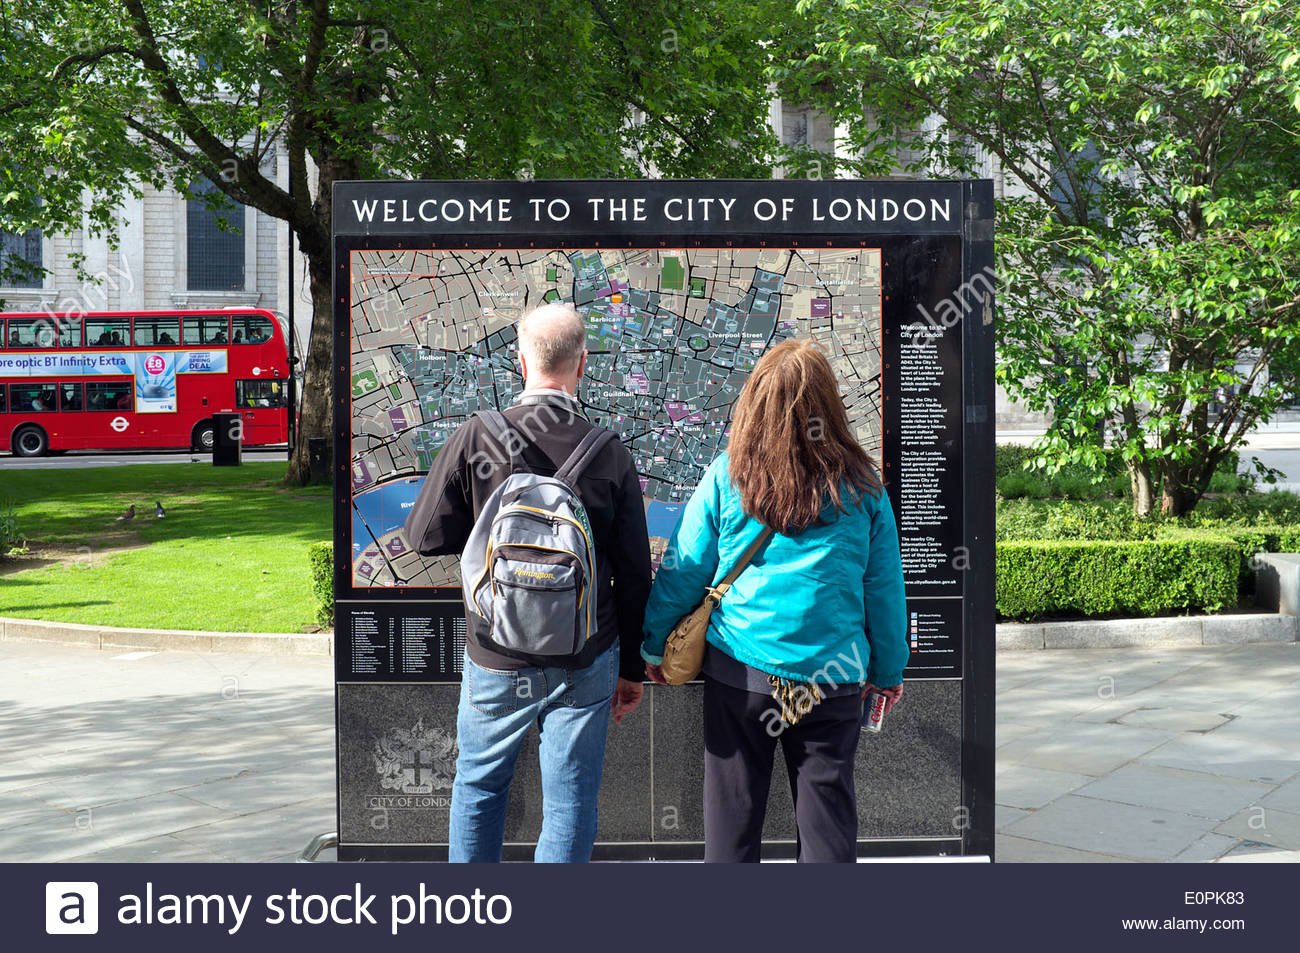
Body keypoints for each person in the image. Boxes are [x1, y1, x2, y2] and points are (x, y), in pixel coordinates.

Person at [640, 339, 909, 863]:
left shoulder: (728, 474)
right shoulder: (863, 485)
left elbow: (683, 570)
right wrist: (889, 668)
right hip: (832, 676)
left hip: (742, 675)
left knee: (731, 821)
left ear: (756, 401)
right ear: (830, 405)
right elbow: (883, 589)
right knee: (828, 823)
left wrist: (654, 647)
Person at [403, 302, 652, 863]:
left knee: (479, 786)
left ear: (520, 362)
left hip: (496, 652)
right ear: (582, 364)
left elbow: (422, 536)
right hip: (585, 656)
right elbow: (636, 575)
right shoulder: (607, 452)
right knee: (569, 802)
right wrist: (633, 670)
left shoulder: (476, 436)